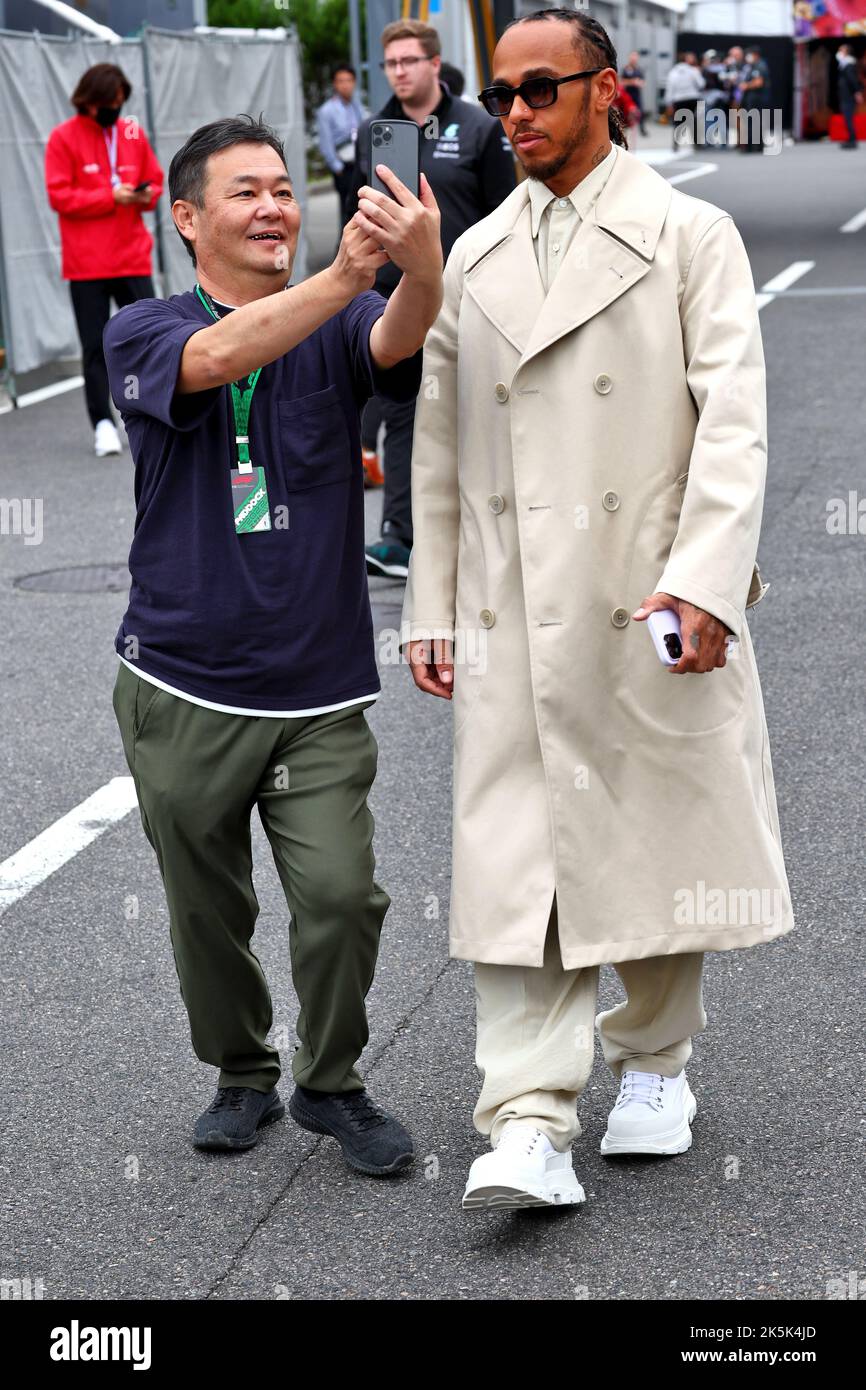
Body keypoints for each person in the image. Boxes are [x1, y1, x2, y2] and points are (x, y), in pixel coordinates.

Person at [400, 7, 794, 1212]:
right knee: (515, 853)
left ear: (603, 90)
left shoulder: (689, 234)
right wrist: (429, 596)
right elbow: (439, 444)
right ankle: (523, 1114)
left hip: (643, 587)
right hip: (514, 603)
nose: (511, 113)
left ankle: (655, 1058)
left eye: (538, 90)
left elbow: (732, 421)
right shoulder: (472, 257)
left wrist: (705, 581)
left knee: (646, 829)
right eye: (501, 93)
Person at [104, 114, 443, 1174]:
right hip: (181, 680)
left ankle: (329, 1080)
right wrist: (344, 278)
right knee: (206, 909)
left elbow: (397, 337)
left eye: (285, 190)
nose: (272, 208)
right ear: (188, 216)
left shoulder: (344, 323)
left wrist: (418, 268)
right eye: (245, 191)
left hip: (317, 684)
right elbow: (213, 358)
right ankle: (240, 1071)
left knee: (342, 895)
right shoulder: (143, 327)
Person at [351, 18, 516, 580]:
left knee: (471, 412)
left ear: (433, 63)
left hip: (465, 297)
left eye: (408, 61)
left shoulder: (477, 127)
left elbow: (505, 215)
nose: (398, 72)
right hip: (390, 298)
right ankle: (398, 536)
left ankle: (485, 529)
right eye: (390, 63)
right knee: (402, 411)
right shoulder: (374, 132)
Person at [45, 63, 163, 458]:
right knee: (95, 346)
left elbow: (157, 179)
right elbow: (60, 196)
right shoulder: (63, 138)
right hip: (88, 263)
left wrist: (146, 194)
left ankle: (152, 412)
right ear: (90, 101)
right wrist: (110, 197)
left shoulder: (132, 132)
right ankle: (102, 423)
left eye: (120, 102)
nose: (116, 109)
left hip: (132, 255)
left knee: (147, 340)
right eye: (109, 103)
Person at [315, 63, 368, 229]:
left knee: (361, 208)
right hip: (343, 167)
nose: (345, 85)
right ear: (335, 84)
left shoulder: (357, 105)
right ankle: (344, 246)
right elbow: (325, 142)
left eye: (349, 80)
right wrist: (337, 167)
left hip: (359, 164)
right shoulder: (327, 111)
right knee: (347, 210)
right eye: (341, 81)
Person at [663, 51, 705, 148]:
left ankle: (675, 143)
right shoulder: (693, 70)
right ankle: (697, 144)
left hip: (678, 100)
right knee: (693, 120)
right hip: (692, 98)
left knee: (678, 122)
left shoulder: (673, 72)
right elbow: (701, 84)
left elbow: (670, 88)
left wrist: (668, 103)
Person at [738, 46, 772, 153]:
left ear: (755, 55)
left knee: (753, 121)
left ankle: (754, 146)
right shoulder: (752, 66)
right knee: (751, 121)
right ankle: (752, 145)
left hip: (756, 98)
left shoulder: (759, 66)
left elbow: (759, 82)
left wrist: (746, 86)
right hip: (752, 98)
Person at [836, 44, 863, 149]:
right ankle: (850, 139)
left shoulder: (849, 64)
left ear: (847, 52)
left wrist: (857, 92)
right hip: (845, 95)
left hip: (848, 96)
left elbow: (853, 80)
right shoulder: (844, 64)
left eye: (841, 50)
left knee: (848, 118)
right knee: (847, 118)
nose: (839, 52)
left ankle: (852, 140)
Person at [621, 50, 648, 136]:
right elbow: (621, 82)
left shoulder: (639, 70)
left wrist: (639, 83)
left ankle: (642, 129)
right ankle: (623, 128)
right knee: (625, 112)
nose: (634, 59)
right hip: (627, 95)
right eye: (632, 56)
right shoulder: (625, 69)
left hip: (636, 95)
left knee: (640, 112)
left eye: (635, 57)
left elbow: (643, 83)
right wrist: (632, 82)